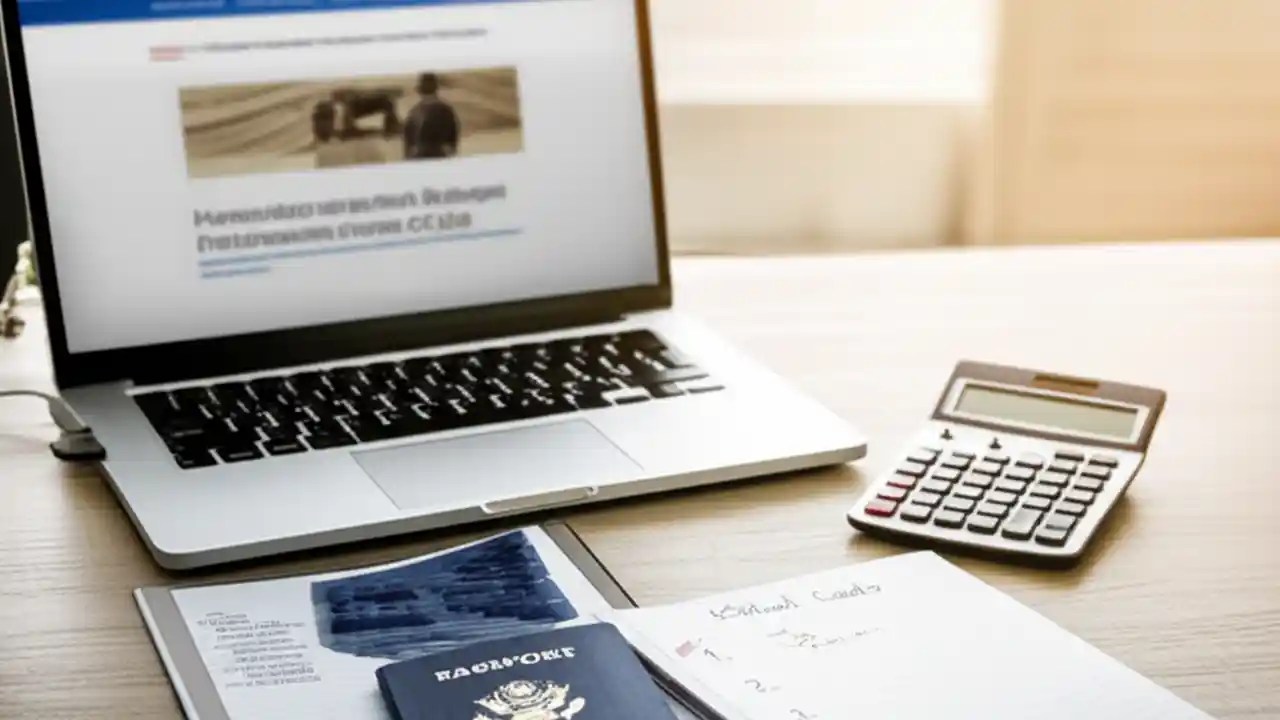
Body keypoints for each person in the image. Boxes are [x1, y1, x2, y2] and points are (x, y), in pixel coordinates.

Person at [402, 73, 460, 160]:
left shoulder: (415, 111)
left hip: (427, 155)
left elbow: (408, 141)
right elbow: (452, 139)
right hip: (434, 155)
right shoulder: (445, 110)